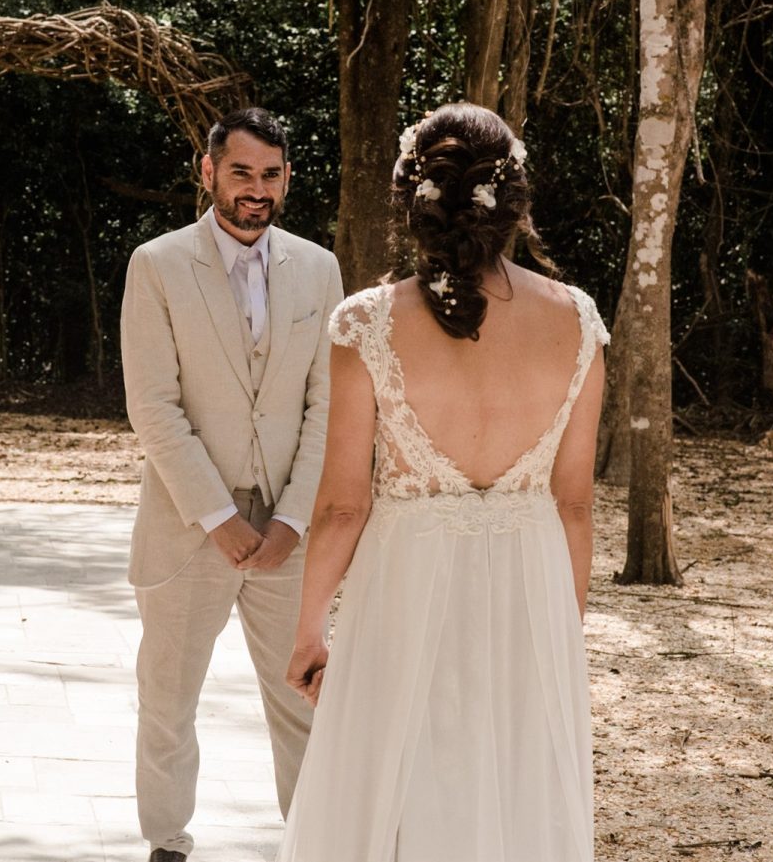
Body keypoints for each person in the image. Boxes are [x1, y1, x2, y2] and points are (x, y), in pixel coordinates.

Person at [278, 103, 609, 861]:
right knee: (513, 788)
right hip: (530, 580)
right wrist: (562, 625)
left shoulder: (365, 323)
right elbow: (574, 503)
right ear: (514, 202)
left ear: (412, 199)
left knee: (396, 778)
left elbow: (341, 506)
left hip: (406, 576)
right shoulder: (580, 321)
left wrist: (307, 629)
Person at [120, 107, 345, 862]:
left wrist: (292, 519)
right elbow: (152, 406)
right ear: (209, 170)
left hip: (288, 527)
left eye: (271, 175)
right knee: (168, 698)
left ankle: (314, 843)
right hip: (189, 527)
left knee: (305, 696)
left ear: (287, 179)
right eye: (242, 172)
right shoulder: (156, 264)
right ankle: (168, 844)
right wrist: (218, 515)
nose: (257, 189)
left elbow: (328, 405)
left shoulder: (319, 268)